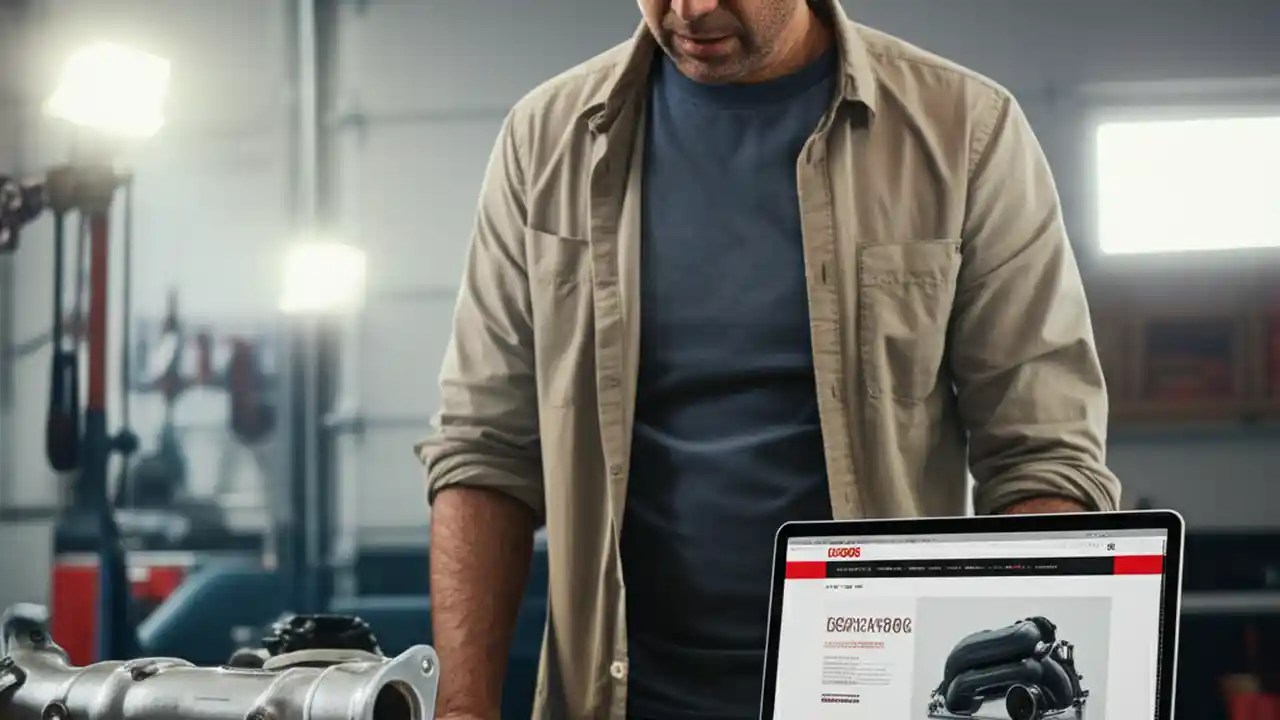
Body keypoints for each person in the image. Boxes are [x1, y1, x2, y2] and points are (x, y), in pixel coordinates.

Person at [415, 0, 1122, 718]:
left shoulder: (964, 129)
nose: (689, 9)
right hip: (619, 695)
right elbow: (485, 447)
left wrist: (1015, 680)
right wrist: (461, 708)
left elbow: (1041, 452)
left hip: (877, 697)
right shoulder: (545, 141)